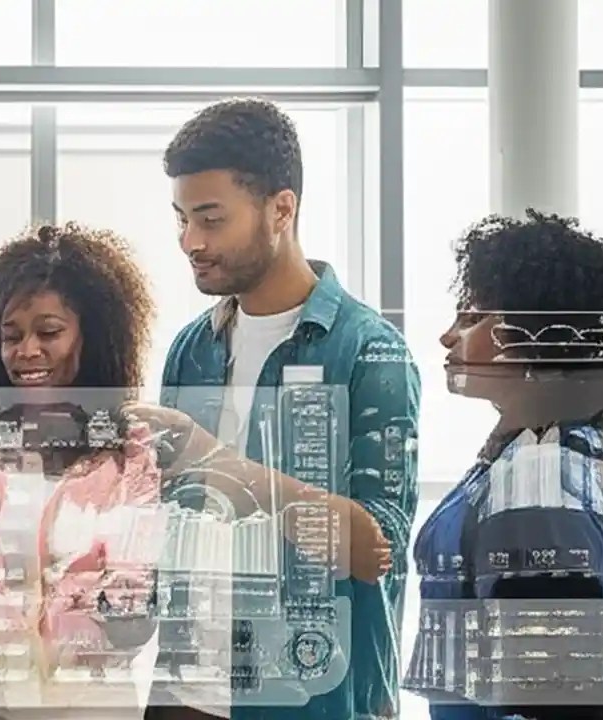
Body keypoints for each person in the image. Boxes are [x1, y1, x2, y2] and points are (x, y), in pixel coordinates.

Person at [151, 98, 421, 720]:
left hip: (313, 700)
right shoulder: (191, 348)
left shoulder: (370, 351)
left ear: (281, 208)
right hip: (189, 695)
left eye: (210, 219)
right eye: (181, 219)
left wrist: (212, 461)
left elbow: (373, 549)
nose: (190, 241)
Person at [402, 211, 603, 720]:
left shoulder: (543, 478)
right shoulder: (546, 456)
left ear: (539, 334)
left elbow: (551, 702)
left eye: (473, 316)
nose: (449, 336)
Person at [0, 222, 163, 720]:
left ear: (94, 337)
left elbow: (135, 595)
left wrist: (125, 611)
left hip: (89, 701)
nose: (26, 351)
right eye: (11, 336)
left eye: (49, 332)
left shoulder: (129, 453)